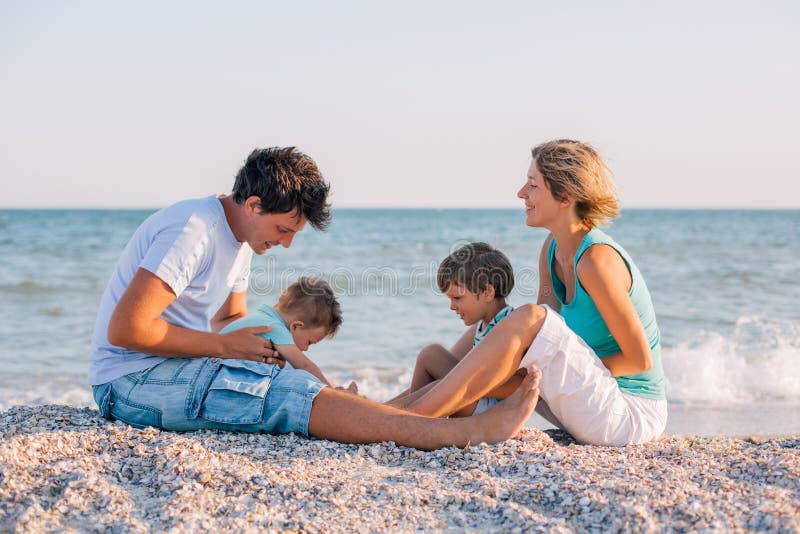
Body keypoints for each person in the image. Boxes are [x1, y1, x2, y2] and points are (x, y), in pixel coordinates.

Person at [89, 146, 542, 450]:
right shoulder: (194, 230)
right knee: (288, 396)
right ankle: (462, 432)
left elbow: (228, 322)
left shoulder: (239, 241)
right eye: (283, 229)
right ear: (252, 205)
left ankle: (400, 420)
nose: (286, 243)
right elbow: (128, 330)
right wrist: (230, 348)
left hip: (172, 369)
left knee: (295, 385)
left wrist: (266, 351)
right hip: (130, 383)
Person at [401, 140, 667, 447]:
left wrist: (556, 373)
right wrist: (500, 369)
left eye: (532, 185)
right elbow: (536, 342)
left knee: (530, 317)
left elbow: (639, 359)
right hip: (583, 401)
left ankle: (409, 422)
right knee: (475, 343)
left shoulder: (597, 261)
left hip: (629, 414)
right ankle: (390, 411)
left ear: (565, 195)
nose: (521, 194)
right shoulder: (552, 250)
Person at [388, 242, 524, 415]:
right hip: (477, 399)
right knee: (430, 354)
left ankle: (393, 415)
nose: (452, 307)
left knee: (443, 387)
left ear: (487, 293)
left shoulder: (510, 325)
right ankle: (391, 411)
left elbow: (519, 383)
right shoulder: (486, 324)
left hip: (493, 410)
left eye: (458, 298)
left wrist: (462, 383)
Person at [220, 276, 356, 392]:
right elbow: (304, 365)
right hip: (214, 374)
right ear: (296, 326)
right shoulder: (273, 328)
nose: (305, 349)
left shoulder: (264, 317)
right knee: (299, 374)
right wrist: (332, 392)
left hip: (217, 370)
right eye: (309, 342)